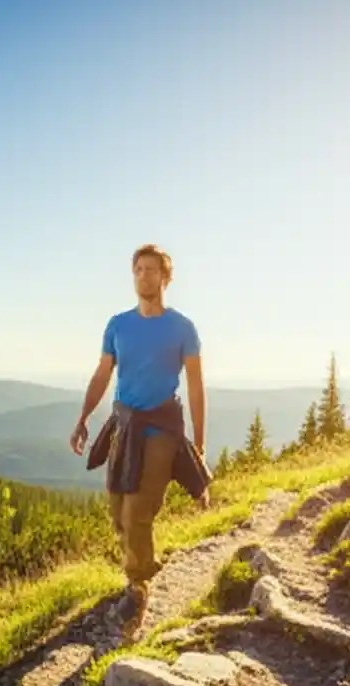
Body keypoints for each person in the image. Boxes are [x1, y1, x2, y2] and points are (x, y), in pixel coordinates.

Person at [70, 243, 212, 641]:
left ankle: (137, 591)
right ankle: (142, 565)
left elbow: (197, 387)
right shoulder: (117, 325)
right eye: (138, 269)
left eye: (151, 270)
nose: (143, 276)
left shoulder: (182, 328)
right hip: (125, 427)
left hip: (161, 430)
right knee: (117, 512)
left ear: (165, 278)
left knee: (136, 515)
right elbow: (102, 375)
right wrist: (82, 418)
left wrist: (198, 443)